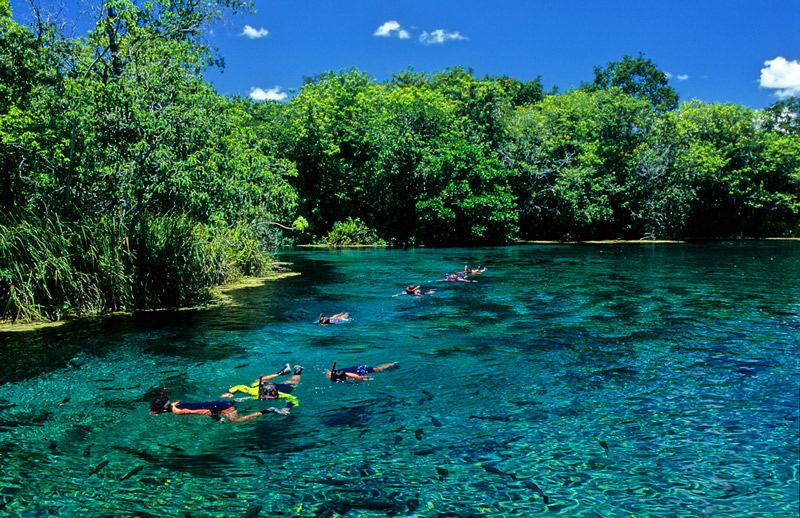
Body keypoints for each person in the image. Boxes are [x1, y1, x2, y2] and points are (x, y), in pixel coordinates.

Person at [221, 363, 302, 415]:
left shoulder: (280, 394)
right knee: (257, 381)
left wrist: (287, 408)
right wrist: (229, 392)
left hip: (281, 388)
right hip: (264, 387)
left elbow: (293, 399)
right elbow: (238, 387)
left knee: (292, 382)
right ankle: (284, 372)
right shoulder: (254, 391)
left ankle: (297, 371)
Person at [149, 389, 275, 422]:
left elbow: (205, 412)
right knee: (234, 402)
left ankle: (267, 411)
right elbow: (170, 404)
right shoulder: (174, 403)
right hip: (216, 403)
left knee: (236, 420)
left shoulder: (177, 411)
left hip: (220, 408)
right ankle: (257, 395)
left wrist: (218, 419)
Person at [326, 360, 399, 382]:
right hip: (354, 369)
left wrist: (363, 377)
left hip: (360, 370)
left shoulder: (344, 374)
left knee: (379, 369)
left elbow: (354, 376)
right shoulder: (331, 374)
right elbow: (328, 373)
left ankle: (393, 364)